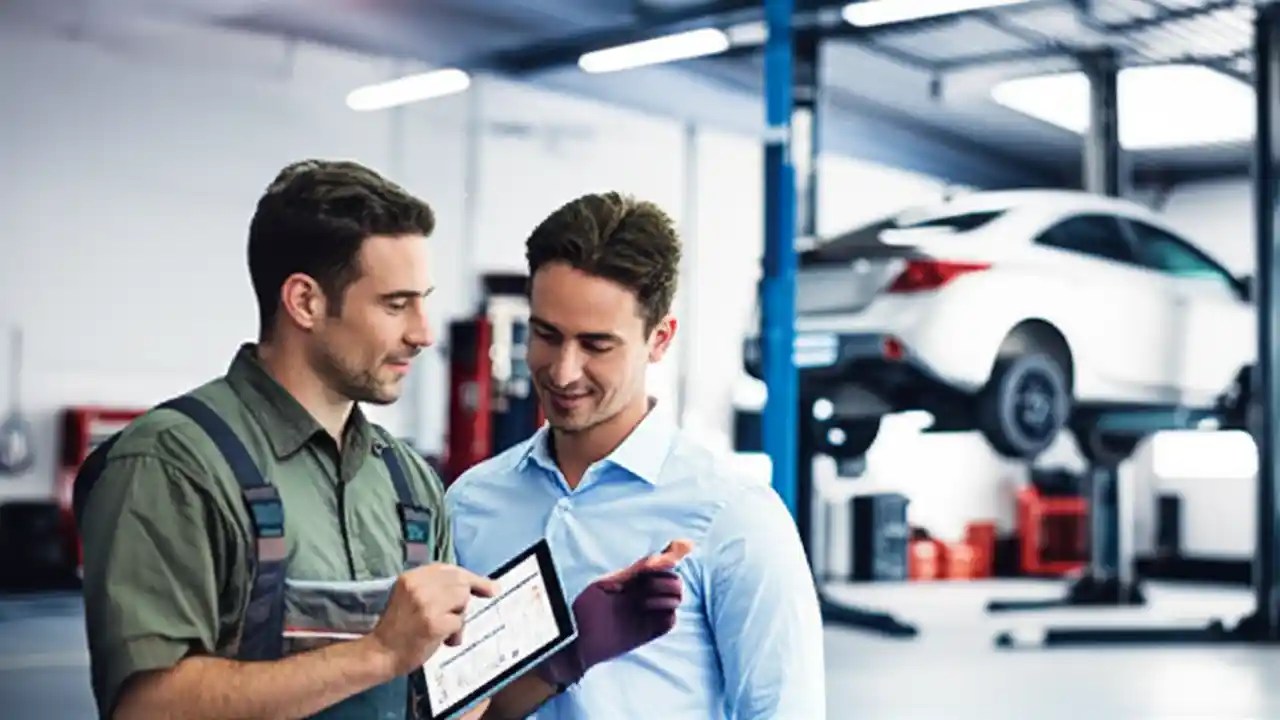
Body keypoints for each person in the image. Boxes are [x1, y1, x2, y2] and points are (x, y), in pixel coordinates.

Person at [78, 160, 689, 720]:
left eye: (421, 303)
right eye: (396, 305)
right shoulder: (173, 465)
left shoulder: (409, 486)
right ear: (305, 301)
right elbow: (146, 709)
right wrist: (376, 654)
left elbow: (448, 706)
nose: (423, 333)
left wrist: (565, 649)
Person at [445, 192, 827, 719]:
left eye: (597, 345)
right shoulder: (470, 503)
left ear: (660, 338)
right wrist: (564, 658)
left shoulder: (732, 515)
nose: (562, 370)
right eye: (546, 335)